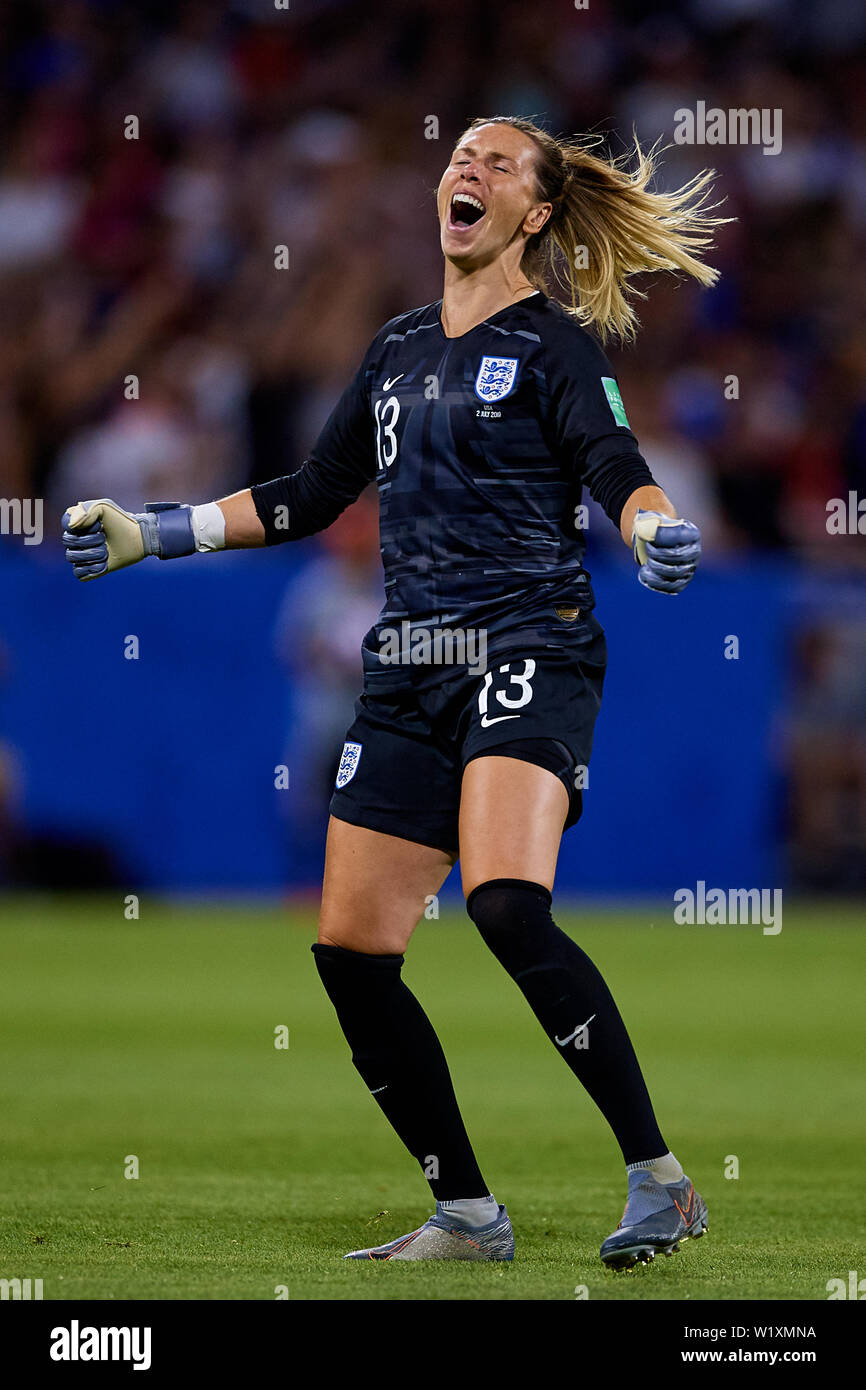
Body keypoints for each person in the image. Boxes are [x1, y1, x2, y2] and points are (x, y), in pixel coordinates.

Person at [62, 116, 719, 1269]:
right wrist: (149, 532)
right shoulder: (397, 346)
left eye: (497, 162)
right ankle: (465, 1214)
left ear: (536, 213)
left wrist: (652, 524)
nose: (465, 170)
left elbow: (614, 464)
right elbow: (311, 495)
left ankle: (658, 1181)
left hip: (528, 642)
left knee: (508, 905)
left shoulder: (558, 347)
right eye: (458, 154)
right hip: (407, 664)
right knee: (351, 955)